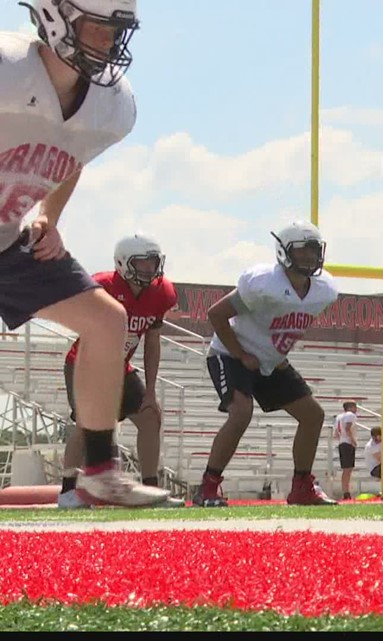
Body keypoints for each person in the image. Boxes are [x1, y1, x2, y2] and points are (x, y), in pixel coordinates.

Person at [2, 0, 168, 506]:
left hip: (8, 238)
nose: (109, 43)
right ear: (55, 17)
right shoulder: (9, 72)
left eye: (116, 31)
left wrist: (49, 214)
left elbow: (71, 153)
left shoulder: (109, 107)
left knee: (106, 321)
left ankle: (97, 472)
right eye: (100, 27)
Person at [194, 221, 339, 508]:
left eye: (313, 250)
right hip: (230, 353)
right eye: (302, 250)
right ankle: (208, 487)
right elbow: (216, 314)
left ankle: (301, 487)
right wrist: (240, 354)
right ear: (285, 252)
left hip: (269, 361)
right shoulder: (264, 284)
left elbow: (281, 328)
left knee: (313, 415)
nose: (310, 257)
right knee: (241, 413)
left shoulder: (323, 290)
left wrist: (275, 357)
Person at [57, 233, 179, 508]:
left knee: (150, 417)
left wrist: (150, 392)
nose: (150, 269)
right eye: (142, 263)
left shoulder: (162, 292)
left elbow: (152, 341)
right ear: (123, 263)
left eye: (152, 263)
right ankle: (67, 492)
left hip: (120, 365)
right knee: (86, 424)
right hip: (85, 362)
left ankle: (151, 489)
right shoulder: (102, 286)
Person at [331, 401, 359, 500]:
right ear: (351, 407)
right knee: (348, 469)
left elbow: (336, 433)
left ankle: (346, 491)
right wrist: (352, 440)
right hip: (347, 443)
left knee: (346, 469)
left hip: (342, 442)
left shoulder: (339, 417)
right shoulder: (350, 415)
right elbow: (347, 428)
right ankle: (346, 492)